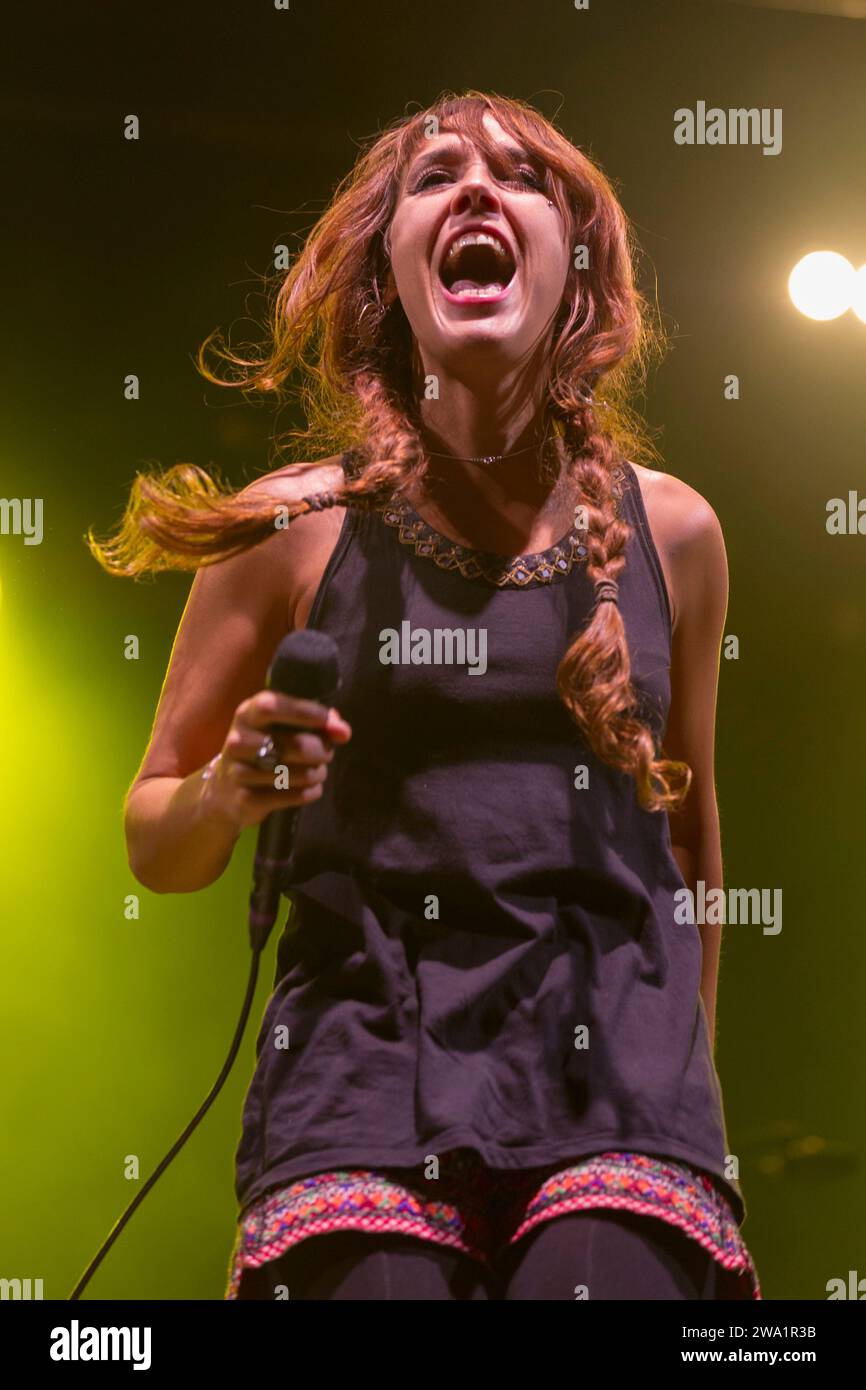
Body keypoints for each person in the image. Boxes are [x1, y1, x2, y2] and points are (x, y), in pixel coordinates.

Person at [89, 89, 761, 1300]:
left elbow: (690, 832)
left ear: (578, 265)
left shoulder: (677, 534)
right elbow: (155, 838)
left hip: (621, 1083)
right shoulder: (294, 530)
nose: (475, 191)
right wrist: (229, 790)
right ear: (384, 268)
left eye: (519, 177)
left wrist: (686, 1088)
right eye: (435, 174)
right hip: (360, 1076)